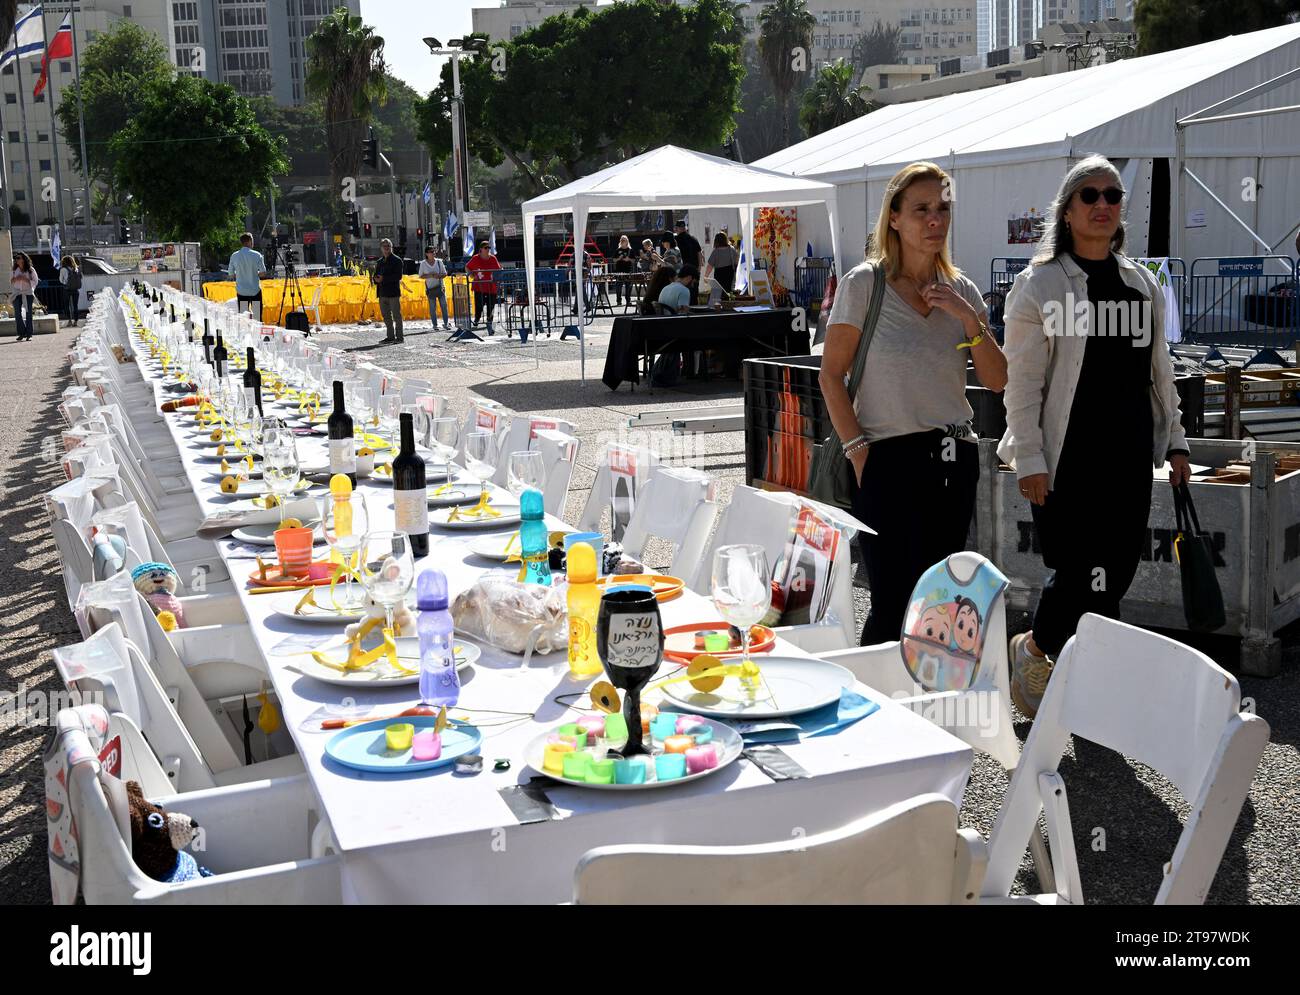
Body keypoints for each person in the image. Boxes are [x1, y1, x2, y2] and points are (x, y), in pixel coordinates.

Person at [998, 155, 1190, 718]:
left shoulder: (1141, 285)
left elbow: (1162, 372)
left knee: (1118, 571)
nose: (1103, 204)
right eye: (1089, 196)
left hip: (1129, 456)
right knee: (1080, 571)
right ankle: (1036, 648)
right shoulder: (1039, 286)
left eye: (1112, 195)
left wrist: (1176, 440)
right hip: (1066, 459)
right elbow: (1022, 384)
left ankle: (1088, 677)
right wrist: (1029, 457)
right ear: (1067, 209)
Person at [821, 161, 1008, 646]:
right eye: (921, 209)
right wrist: (859, 451)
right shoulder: (865, 285)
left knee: (939, 604)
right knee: (892, 601)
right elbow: (830, 376)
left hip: (952, 458)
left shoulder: (962, 290)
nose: (934, 220)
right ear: (895, 218)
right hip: (887, 457)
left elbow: (997, 378)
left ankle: (928, 705)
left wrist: (969, 319)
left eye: (942, 209)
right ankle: (876, 708)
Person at [372, 237, 406, 343]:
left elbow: (398, 276)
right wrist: (375, 279)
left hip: (393, 293)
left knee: (396, 316)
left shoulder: (397, 260)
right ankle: (390, 337)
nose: (386, 248)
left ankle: (399, 337)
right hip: (382, 293)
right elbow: (376, 275)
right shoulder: (379, 261)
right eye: (384, 246)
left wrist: (383, 279)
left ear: (391, 247)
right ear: (381, 248)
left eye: (388, 246)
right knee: (386, 316)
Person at [227, 233, 267, 321]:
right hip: (255, 291)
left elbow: (230, 273)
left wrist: (240, 273)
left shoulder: (234, 255)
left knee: (243, 318)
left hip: (241, 291)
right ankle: (256, 334)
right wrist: (254, 273)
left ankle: (245, 334)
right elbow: (263, 273)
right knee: (257, 317)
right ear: (249, 241)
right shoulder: (257, 255)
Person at [465, 239, 502, 334]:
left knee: (491, 305)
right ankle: (477, 319)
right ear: (481, 249)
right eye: (486, 248)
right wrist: (471, 274)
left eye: (489, 247)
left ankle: (489, 321)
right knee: (479, 305)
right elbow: (467, 267)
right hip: (479, 286)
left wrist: (498, 279)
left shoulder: (493, 258)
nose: (488, 249)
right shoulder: (475, 258)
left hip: (491, 287)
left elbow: (498, 270)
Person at [420, 246, 452, 331]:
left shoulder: (439, 262)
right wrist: (431, 275)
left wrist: (439, 276)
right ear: (426, 253)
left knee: (444, 306)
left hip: (440, 287)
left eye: (434, 251)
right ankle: (435, 325)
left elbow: (445, 273)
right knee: (432, 308)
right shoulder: (423, 263)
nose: (433, 253)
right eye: (431, 251)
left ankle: (446, 323)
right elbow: (421, 276)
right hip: (430, 289)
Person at [674, 219, 704, 302]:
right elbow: (699, 254)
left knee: (685, 292)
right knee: (694, 292)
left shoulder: (676, 240)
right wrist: (699, 269)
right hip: (695, 269)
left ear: (677, 228)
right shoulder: (693, 238)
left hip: (684, 270)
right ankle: (695, 309)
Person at [10, 253, 38, 341]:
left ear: (23, 259)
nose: (17, 260)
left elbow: (35, 281)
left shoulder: (30, 269)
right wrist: (16, 279)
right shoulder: (14, 270)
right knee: (17, 314)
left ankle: (29, 334)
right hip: (17, 293)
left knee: (28, 313)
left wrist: (25, 279)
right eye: (16, 258)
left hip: (28, 293)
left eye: (18, 258)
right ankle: (22, 333)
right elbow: (11, 281)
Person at [612, 235, 636, 307]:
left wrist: (629, 259)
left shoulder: (630, 250)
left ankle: (628, 301)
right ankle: (619, 301)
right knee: (618, 286)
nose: (622, 241)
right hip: (619, 271)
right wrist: (619, 259)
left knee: (628, 286)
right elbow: (613, 260)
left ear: (627, 241)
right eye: (621, 240)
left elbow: (634, 260)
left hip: (628, 270)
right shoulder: (617, 250)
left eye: (624, 240)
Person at [59, 256, 82, 326]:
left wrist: (65, 282)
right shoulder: (76, 268)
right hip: (75, 289)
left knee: (67, 305)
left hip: (67, 289)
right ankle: (75, 321)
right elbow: (81, 277)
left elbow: (61, 280)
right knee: (75, 306)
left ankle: (69, 321)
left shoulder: (63, 269)